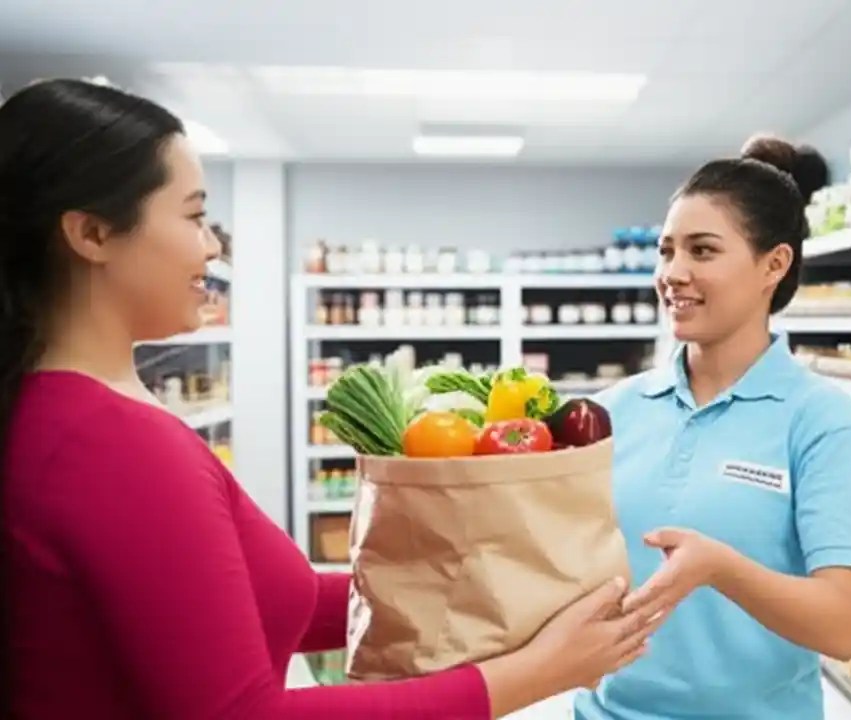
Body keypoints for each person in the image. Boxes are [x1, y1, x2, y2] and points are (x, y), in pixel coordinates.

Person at [0, 78, 656, 719]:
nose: (213, 245)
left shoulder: (68, 418)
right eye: (196, 216)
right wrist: (534, 673)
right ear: (91, 235)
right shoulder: (111, 444)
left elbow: (269, 603)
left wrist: (511, 589)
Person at [574, 136, 851, 719]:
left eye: (703, 250)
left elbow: (841, 624)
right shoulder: (611, 411)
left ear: (774, 264)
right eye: (667, 251)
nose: (673, 273)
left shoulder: (822, 420)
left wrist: (720, 569)